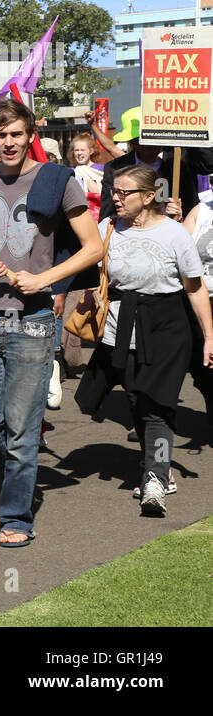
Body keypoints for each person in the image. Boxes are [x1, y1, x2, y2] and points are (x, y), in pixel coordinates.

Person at [0, 99, 103, 547]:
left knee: (22, 426)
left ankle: (16, 515)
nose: (9, 142)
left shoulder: (58, 179)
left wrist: (44, 280)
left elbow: (93, 247)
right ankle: (16, 468)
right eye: (1, 135)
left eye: (16, 133)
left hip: (34, 322)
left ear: (30, 133)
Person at [77, 166, 213, 515]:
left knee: (159, 403)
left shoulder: (174, 235)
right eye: (114, 191)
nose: (115, 198)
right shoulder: (108, 227)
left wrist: (210, 336)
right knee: (137, 399)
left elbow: (195, 289)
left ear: (149, 196)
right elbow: (98, 270)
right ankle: (159, 466)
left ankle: (156, 476)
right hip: (120, 326)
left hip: (166, 326)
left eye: (124, 192)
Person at [183, 193, 213, 452]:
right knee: (206, 367)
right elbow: (179, 248)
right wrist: (173, 221)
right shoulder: (201, 211)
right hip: (204, 299)